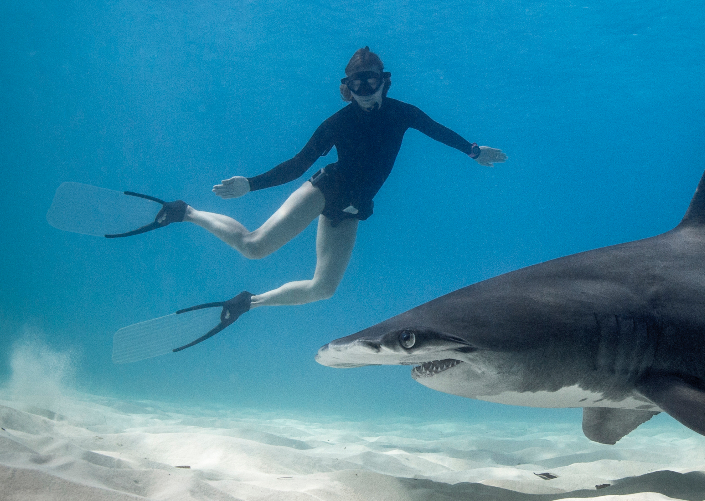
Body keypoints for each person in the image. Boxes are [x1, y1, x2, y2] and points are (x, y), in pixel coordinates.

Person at [155, 46, 506, 334]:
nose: (366, 95)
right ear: (347, 89)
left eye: (371, 85)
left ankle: (247, 302)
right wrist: (251, 184)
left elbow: (437, 130)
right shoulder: (338, 123)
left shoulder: (403, 113)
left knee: (323, 288)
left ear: (385, 82)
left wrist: (474, 151)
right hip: (327, 187)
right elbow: (298, 164)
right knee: (254, 247)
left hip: (355, 206)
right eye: (357, 88)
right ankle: (187, 212)